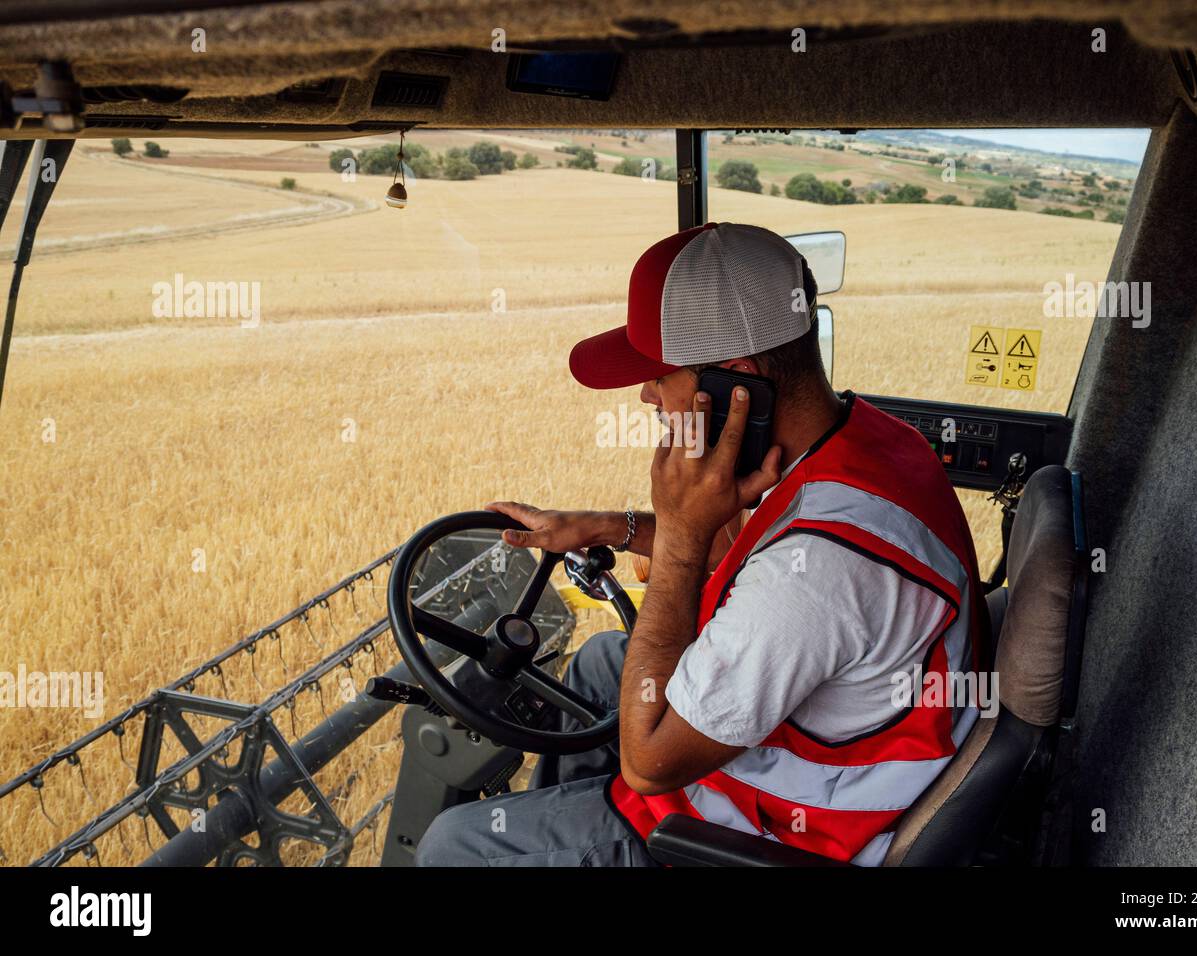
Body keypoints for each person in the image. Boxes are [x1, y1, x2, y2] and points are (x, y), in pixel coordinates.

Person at [416, 222, 988, 866]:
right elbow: (751, 562)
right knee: (605, 660)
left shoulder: (822, 570)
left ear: (736, 386)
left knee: (456, 845)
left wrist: (683, 536)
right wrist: (610, 527)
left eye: (660, 376)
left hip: (765, 832)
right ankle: (573, 827)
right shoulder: (869, 442)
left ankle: (584, 837)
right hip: (822, 741)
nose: (645, 395)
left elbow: (651, 762)